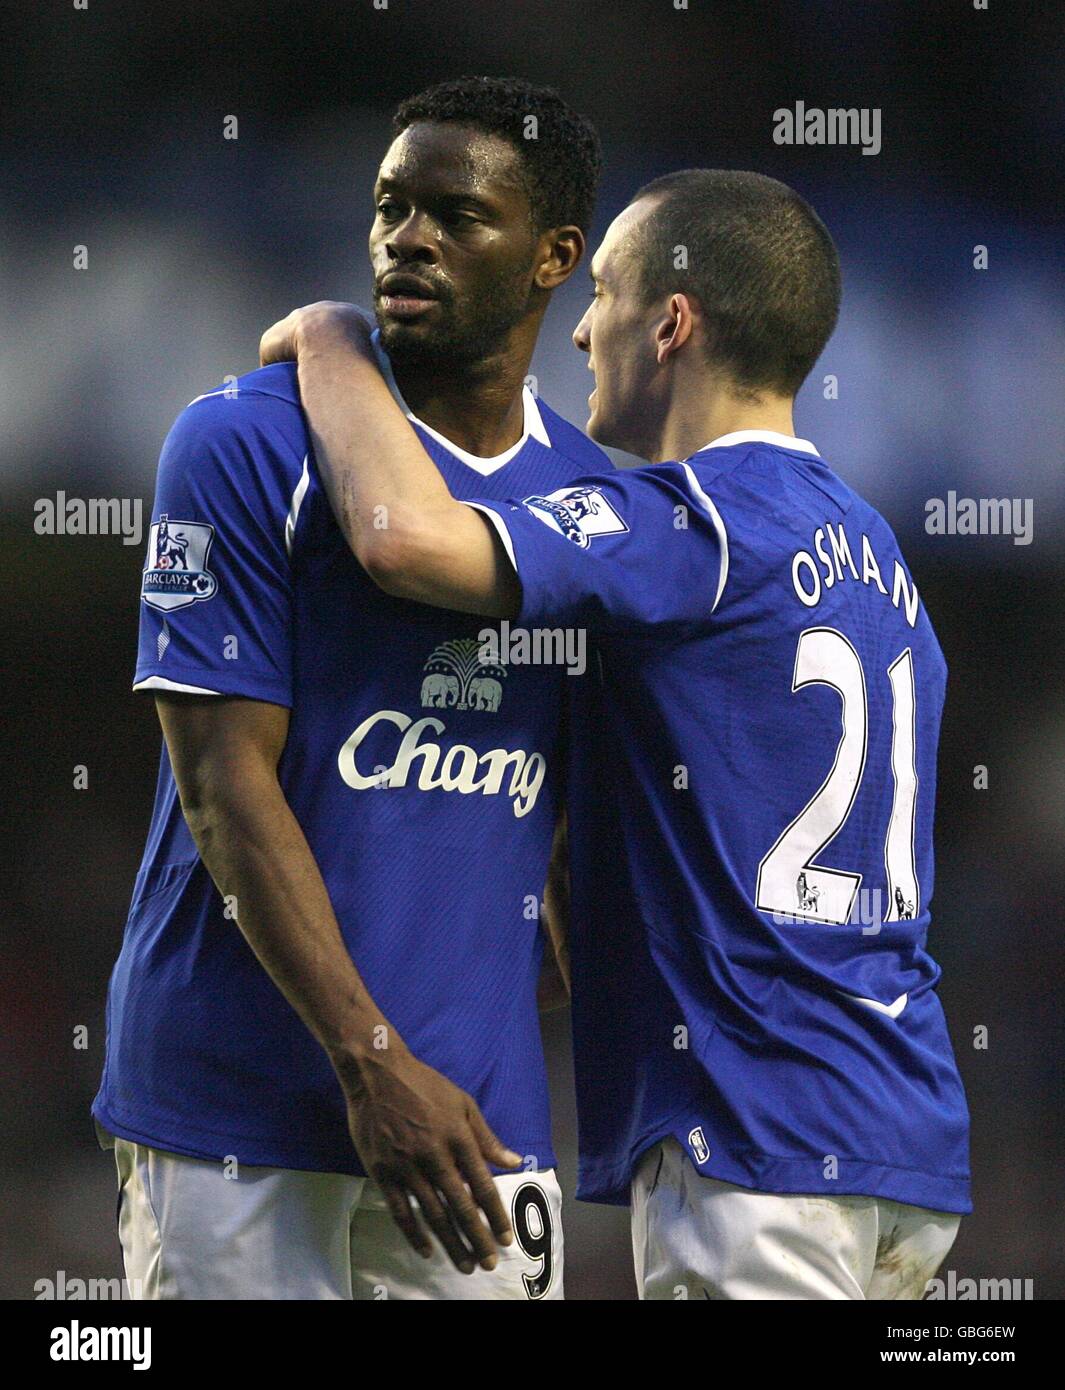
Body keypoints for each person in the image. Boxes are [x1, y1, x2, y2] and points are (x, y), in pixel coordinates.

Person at [260, 168, 972, 1300]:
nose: (582, 329)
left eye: (603, 293)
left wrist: (332, 340)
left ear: (672, 324)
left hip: (757, 1146)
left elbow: (401, 538)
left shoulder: (696, 526)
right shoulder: (881, 563)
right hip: (907, 1143)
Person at [92, 76, 606, 1301]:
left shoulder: (595, 503)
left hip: (480, 1133)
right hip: (232, 1117)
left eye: (455, 215)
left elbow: (578, 840)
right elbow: (223, 787)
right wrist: (372, 1057)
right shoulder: (240, 442)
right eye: (389, 207)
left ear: (555, 258)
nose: (406, 237)